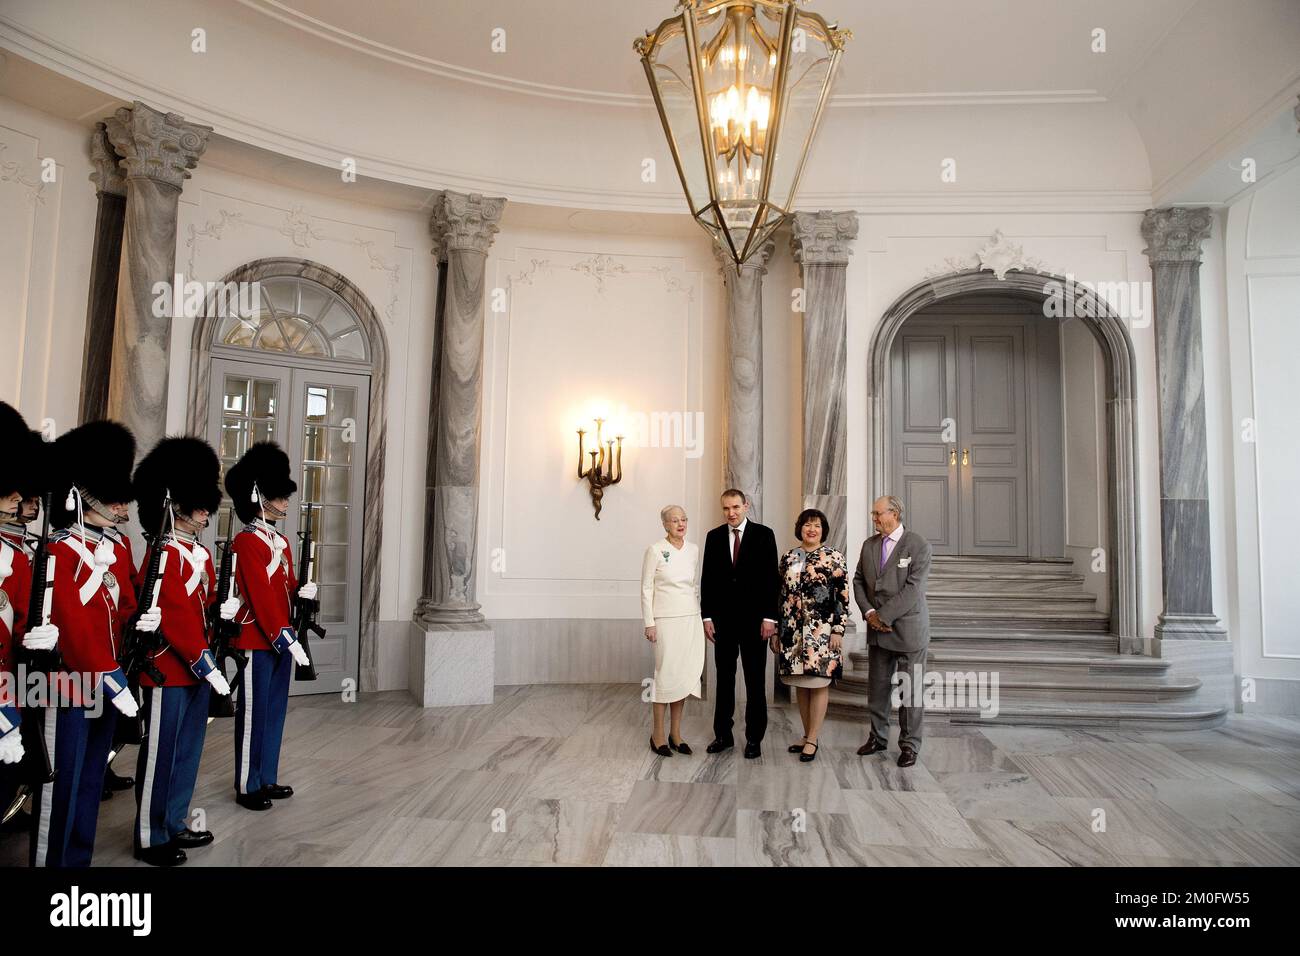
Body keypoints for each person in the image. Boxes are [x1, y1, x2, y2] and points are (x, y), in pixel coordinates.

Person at [31, 420, 153, 867]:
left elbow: (119, 612)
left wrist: (143, 621)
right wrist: (109, 675)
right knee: (60, 783)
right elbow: (72, 625)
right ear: (82, 495)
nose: (122, 506)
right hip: (68, 683)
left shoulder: (117, 549)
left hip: (108, 679)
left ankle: (76, 863)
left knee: (88, 779)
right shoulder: (58, 551)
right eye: (114, 496)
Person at [130, 436, 237, 866]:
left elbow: (200, 606)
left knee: (187, 750)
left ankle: (173, 821)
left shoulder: (198, 554)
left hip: (196, 668)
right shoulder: (163, 552)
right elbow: (170, 615)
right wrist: (202, 660)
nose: (204, 513)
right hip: (167, 669)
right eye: (197, 506)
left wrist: (222, 610)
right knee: (159, 754)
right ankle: (149, 835)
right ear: (174, 504)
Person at [224, 442, 313, 811]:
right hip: (257, 639)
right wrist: (282, 635)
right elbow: (259, 597)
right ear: (259, 496)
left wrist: (301, 591)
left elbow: (282, 589)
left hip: (282, 639)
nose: (285, 502)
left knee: (274, 711)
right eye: (279, 496)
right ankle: (247, 783)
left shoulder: (279, 541)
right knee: (253, 713)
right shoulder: (247, 542)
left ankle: (266, 776)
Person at [852, 495, 932, 768]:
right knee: (878, 688)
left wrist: (883, 615)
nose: (874, 518)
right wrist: (869, 614)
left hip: (909, 630)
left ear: (894, 513)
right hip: (877, 629)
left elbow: (913, 589)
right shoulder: (869, 545)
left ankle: (910, 745)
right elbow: (859, 580)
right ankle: (878, 737)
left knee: (911, 691)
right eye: (873, 514)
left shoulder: (918, 544)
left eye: (878, 513)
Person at [700, 489, 779, 759]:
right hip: (722, 622)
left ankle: (754, 738)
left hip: (756, 623)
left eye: (735, 507)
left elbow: (771, 578)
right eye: (726, 508)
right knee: (724, 680)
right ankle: (723, 735)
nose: (731, 513)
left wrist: (770, 617)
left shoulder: (764, 534)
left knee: (755, 681)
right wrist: (707, 616)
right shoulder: (713, 537)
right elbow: (707, 579)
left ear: (746, 505)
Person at [775, 509, 848, 763]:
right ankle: (806, 736)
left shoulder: (834, 557)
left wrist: (839, 629)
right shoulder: (789, 557)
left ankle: (814, 739)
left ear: (823, 529)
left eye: (816, 525)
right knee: (802, 685)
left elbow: (842, 596)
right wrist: (777, 630)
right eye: (807, 525)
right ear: (800, 528)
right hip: (792, 632)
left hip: (822, 632)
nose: (811, 529)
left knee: (818, 684)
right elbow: (781, 594)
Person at [640, 505, 705, 757]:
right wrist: (650, 623)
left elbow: (694, 586)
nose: (680, 524)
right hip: (665, 620)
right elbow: (646, 588)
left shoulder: (693, 550)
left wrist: (699, 616)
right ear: (665, 525)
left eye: (684, 519)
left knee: (684, 677)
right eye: (674, 520)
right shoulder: (655, 550)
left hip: (690, 618)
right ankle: (657, 734)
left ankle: (676, 734)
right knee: (665, 675)